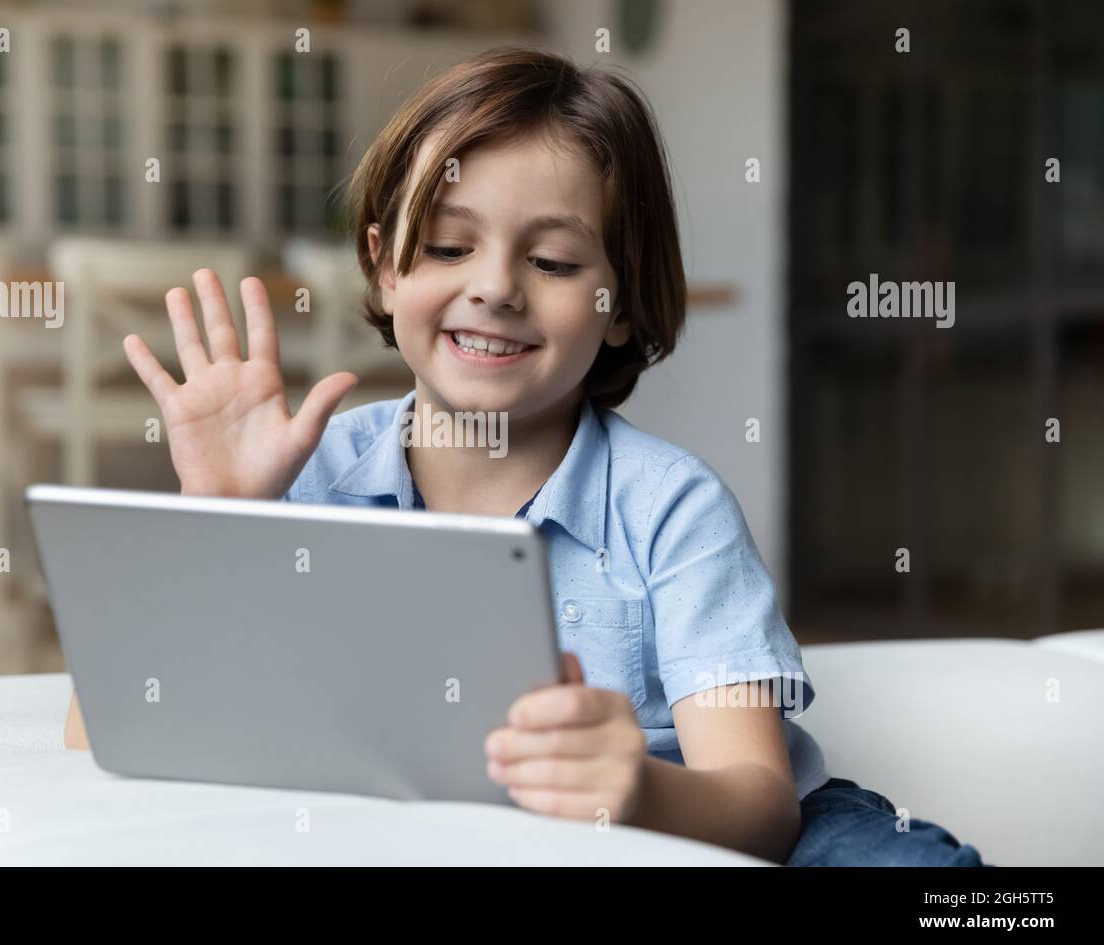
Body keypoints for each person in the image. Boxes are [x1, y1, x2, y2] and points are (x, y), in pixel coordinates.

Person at [64, 44, 990, 867]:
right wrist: (219, 517)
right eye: (448, 246)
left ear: (620, 306)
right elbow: (101, 730)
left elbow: (762, 807)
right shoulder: (302, 477)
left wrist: (632, 793)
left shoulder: (671, 507)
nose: (495, 288)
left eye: (552, 263)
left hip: (684, 827)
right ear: (386, 268)